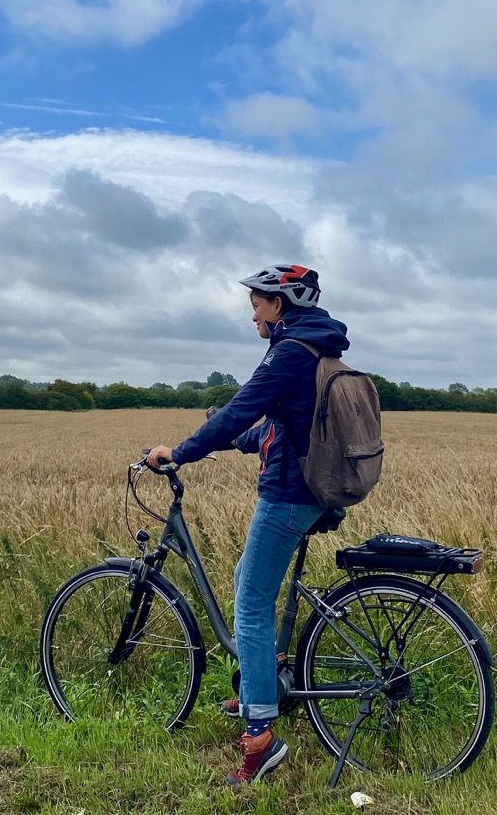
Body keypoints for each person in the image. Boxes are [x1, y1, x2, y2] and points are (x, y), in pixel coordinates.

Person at [146, 264, 350, 785]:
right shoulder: (315, 345)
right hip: (311, 489)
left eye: (257, 303)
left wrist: (182, 452)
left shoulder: (288, 351)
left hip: (289, 496)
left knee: (252, 606)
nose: (252, 312)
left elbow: (239, 411)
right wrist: (235, 438)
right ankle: (263, 681)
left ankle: (261, 739)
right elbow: (276, 424)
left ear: (280, 305)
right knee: (247, 582)